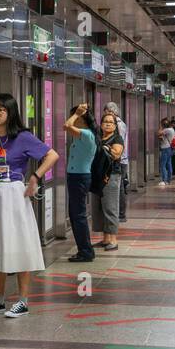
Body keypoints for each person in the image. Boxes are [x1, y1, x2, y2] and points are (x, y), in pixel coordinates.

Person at [0, 94, 58, 319]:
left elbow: (52, 155)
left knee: (19, 244)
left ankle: (22, 300)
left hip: (13, 193)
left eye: (1, 109)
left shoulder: (23, 137)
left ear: (11, 113)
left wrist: (35, 177)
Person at [64, 103, 98, 262]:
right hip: (77, 177)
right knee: (76, 215)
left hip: (79, 178)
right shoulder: (85, 134)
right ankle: (84, 249)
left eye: (76, 117)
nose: (73, 120)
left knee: (78, 216)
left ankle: (85, 251)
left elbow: (66, 125)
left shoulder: (86, 134)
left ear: (81, 119)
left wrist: (76, 113)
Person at [92, 110, 124, 252]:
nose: (108, 124)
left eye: (111, 122)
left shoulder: (117, 139)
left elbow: (117, 155)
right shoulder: (98, 138)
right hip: (98, 175)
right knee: (99, 208)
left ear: (115, 125)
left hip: (111, 176)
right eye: (105, 122)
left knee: (110, 207)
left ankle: (113, 239)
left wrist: (107, 149)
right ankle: (105, 238)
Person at [103, 102, 130, 222]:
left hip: (119, 160)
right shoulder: (120, 123)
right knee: (120, 188)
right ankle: (119, 214)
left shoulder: (119, 125)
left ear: (110, 111)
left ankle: (121, 214)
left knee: (119, 188)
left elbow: (118, 143)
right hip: (121, 159)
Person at [158, 118, 175, 186]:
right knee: (169, 164)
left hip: (165, 148)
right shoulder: (172, 130)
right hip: (170, 148)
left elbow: (159, 133)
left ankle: (164, 180)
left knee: (163, 165)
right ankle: (168, 180)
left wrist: (161, 127)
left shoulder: (166, 130)